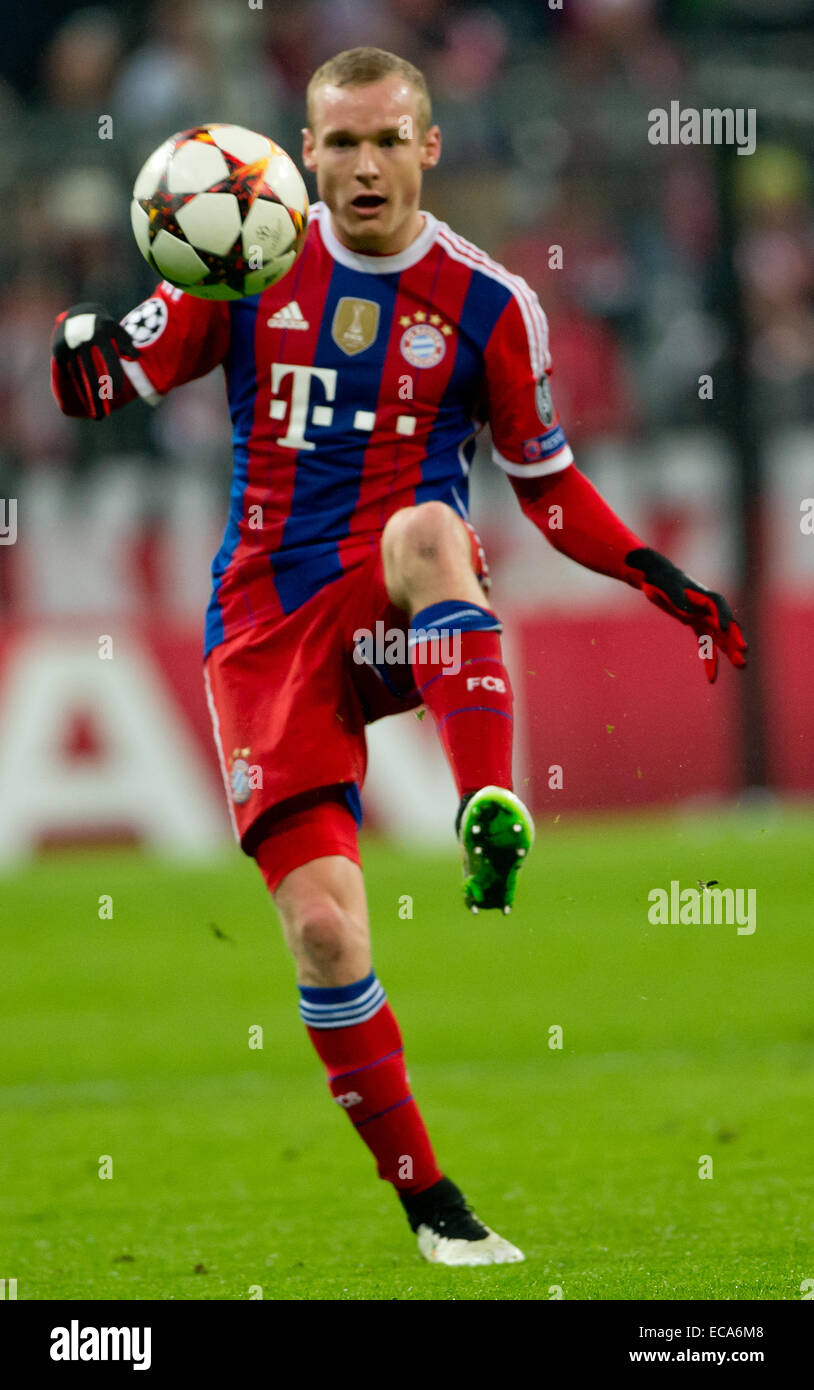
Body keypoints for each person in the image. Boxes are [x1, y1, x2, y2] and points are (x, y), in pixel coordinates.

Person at [50, 47, 746, 1267]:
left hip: (403, 592)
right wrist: (82, 360)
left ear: (430, 147)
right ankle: (435, 1208)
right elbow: (117, 381)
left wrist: (657, 575)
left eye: (387, 140)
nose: (363, 165)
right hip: (268, 625)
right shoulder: (243, 255)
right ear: (304, 153)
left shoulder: (488, 303)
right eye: (339, 143)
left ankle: (488, 797)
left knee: (429, 526)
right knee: (326, 937)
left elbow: (545, 483)